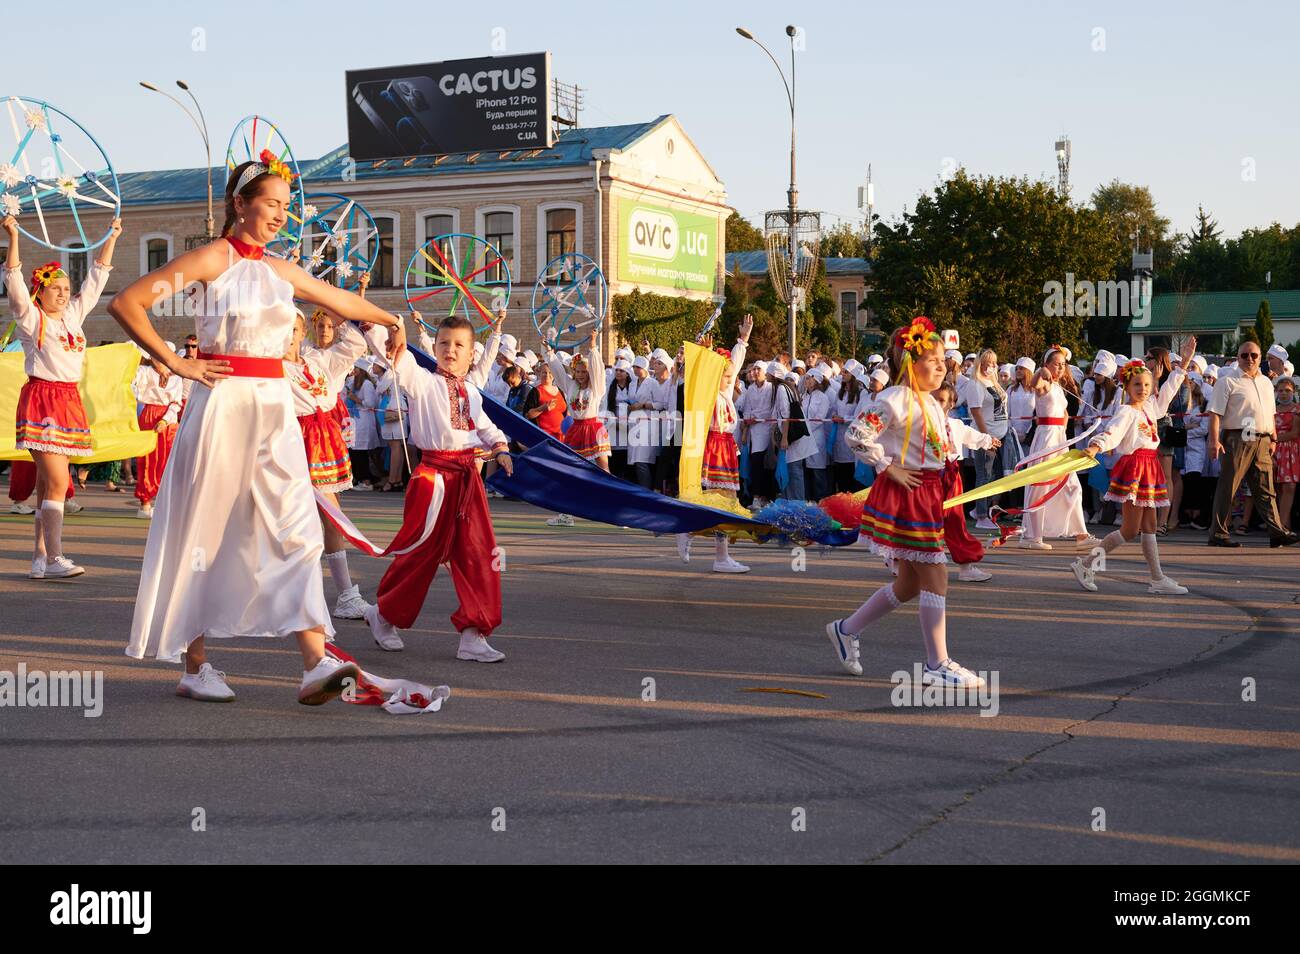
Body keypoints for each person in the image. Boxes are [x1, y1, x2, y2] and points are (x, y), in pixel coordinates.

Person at [112, 153, 405, 704]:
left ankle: (317, 663)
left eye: (285, 206)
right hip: (222, 407)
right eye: (270, 203)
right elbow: (128, 303)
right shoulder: (211, 258)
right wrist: (177, 364)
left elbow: (337, 299)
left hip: (274, 409)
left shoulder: (279, 269)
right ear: (240, 204)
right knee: (206, 532)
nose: (279, 214)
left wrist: (389, 319)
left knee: (295, 528)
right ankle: (194, 666)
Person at [822, 316, 987, 689]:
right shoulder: (895, 397)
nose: (942, 366)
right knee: (936, 572)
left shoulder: (928, 401)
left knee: (911, 583)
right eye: (933, 359)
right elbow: (857, 433)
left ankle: (846, 630)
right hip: (910, 493)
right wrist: (886, 466)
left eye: (943, 359)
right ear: (910, 363)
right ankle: (937, 663)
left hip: (929, 492)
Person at [359, 315, 514, 662]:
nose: (450, 350)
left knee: (478, 554)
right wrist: (379, 323)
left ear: (472, 353)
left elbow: (486, 427)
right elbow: (394, 354)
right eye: (443, 343)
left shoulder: (472, 392)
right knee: (419, 553)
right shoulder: (423, 382)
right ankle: (383, 615)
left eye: (458, 345)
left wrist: (501, 449)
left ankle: (474, 634)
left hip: (466, 480)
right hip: (433, 480)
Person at [3, 213, 121, 579]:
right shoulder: (32, 319)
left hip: (69, 400)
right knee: (56, 482)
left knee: (46, 485)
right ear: (41, 291)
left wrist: (113, 235)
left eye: (67, 288)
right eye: (56, 288)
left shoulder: (73, 316)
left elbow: (98, 277)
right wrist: (12, 236)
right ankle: (54, 558)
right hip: (43, 399)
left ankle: (40, 558)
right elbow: (14, 279)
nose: (64, 292)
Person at [1071, 344, 1197, 595]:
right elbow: (1112, 433)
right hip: (1135, 468)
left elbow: (1168, 395)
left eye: (1147, 385)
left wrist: (1183, 366)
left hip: (1150, 466)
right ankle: (1085, 564)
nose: (1143, 389)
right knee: (1130, 529)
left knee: (1149, 526)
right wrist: (1096, 447)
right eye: (1137, 385)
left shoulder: (1150, 408)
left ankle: (1157, 578)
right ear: (1127, 387)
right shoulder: (1127, 411)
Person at [287, 305, 372, 622]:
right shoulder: (270, 371)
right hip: (291, 443)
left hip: (321, 443)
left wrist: (339, 312)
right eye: (281, 328)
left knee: (331, 517)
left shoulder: (318, 361)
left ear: (302, 332)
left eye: (294, 329)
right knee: (285, 521)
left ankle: (345, 595)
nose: (288, 335)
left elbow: (355, 344)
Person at [677, 316, 754, 572]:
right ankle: (688, 531)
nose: (731, 379)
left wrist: (742, 340)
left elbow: (735, 363)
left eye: (731, 375)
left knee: (727, 502)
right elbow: (700, 375)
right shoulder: (707, 394)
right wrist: (706, 353)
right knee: (714, 500)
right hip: (713, 446)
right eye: (726, 376)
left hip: (727, 447)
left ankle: (720, 555)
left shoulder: (725, 392)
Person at [1205, 341, 1298, 548]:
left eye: (1254, 355)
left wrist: (1273, 437)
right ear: (1238, 357)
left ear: (1260, 358)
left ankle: (1277, 532)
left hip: (1263, 437)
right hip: (1240, 434)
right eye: (1244, 355)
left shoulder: (1266, 382)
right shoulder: (1227, 381)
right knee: (1229, 485)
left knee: (1266, 488)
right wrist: (1214, 441)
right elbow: (1215, 414)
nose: (1249, 359)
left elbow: (1270, 412)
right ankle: (1218, 533)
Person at [1017, 346, 1094, 550]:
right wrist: (1041, 372)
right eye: (1056, 364)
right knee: (1040, 485)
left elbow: (1064, 411)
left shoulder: (1059, 386)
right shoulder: (1044, 382)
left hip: (1058, 438)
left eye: (1062, 365)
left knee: (1072, 485)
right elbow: (1034, 384)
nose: (1060, 368)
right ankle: (1032, 536)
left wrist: (1065, 423)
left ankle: (1081, 535)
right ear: (1047, 364)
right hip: (1046, 438)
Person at [934, 381, 1000, 582]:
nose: (937, 404)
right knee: (922, 522)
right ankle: (903, 561)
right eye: (933, 399)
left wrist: (989, 440)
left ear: (952, 403)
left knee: (955, 521)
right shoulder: (923, 423)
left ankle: (965, 566)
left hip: (952, 477)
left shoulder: (955, 425)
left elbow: (972, 436)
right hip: (929, 477)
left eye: (942, 400)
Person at [131, 343, 183, 518]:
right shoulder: (145, 372)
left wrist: (165, 420)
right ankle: (145, 503)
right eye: (156, 355)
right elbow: (132, 381)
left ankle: (164, 503)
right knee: (147, 459)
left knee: (167, 460)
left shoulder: (176, 378)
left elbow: (176, 403)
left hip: (168, 421)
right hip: (149, 414)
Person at [966, 349, 1011, 531]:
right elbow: (976, 412)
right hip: (986, 436)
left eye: (993, 363)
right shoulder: (975, 384)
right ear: (979, 363)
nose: (989, 366)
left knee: (995, 474)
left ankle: (978, 509)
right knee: (983, 475)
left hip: (1000, 434)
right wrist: (986, 437)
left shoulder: (993, 383)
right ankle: (982, 515)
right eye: (986, 363)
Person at [1272, 375, 1299, 531]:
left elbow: (1294, 433)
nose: (1284, 394)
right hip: (1274, 450)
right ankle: (1283, 526)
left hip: (1291, 451)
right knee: (1278, 489)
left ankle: (1280, 526)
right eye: (1280, 390)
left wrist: (1274, 438)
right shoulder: (1272, 409)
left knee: (1289, 487)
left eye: (1287, 390)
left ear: (1293, 391)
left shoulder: (1297, 409)